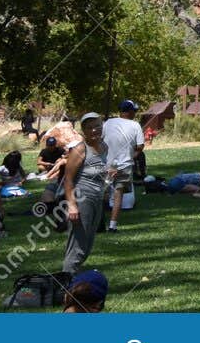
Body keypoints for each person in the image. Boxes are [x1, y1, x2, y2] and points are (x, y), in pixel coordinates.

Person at [61, 113, 110, 275]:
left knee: (87, 244)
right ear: (83, 131)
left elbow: (100, 171)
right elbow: (68, 179)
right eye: (89, 128)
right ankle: (67, 280)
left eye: (97, 126)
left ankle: (72, 278)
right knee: (77, 246)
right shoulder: (80, 149)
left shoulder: (103, 146)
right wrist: (72, 206)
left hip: (97, 199)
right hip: (82, 200)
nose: (94, 130)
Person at [101, 100, 145, 233]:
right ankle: (112, 226)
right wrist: (132, 156)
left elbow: (99, 140)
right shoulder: (135, 125)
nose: (135, 114)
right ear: (130, 111)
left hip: (107, 164)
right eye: (134, 111)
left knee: (102, 192)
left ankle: (99, 222)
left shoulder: (108, 123)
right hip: (125, 166)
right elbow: (140, 146)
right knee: (118, 194)